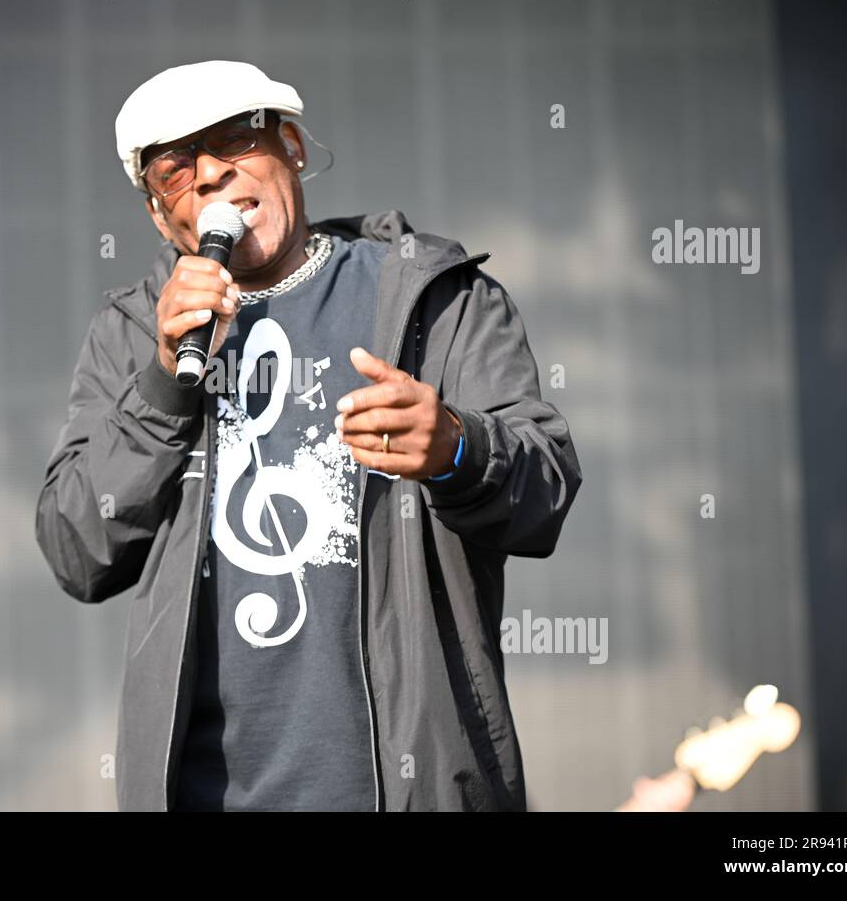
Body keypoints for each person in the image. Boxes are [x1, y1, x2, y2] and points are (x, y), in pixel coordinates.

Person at [36, 60, 583, 811]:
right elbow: (77, 549)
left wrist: (456, 446)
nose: (209, 177)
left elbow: (544, 492)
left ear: (291, 145)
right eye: (174, 170)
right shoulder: (136, 335)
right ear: (162, 218)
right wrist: (164, 383)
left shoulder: (433, 301)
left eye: (234, 140)